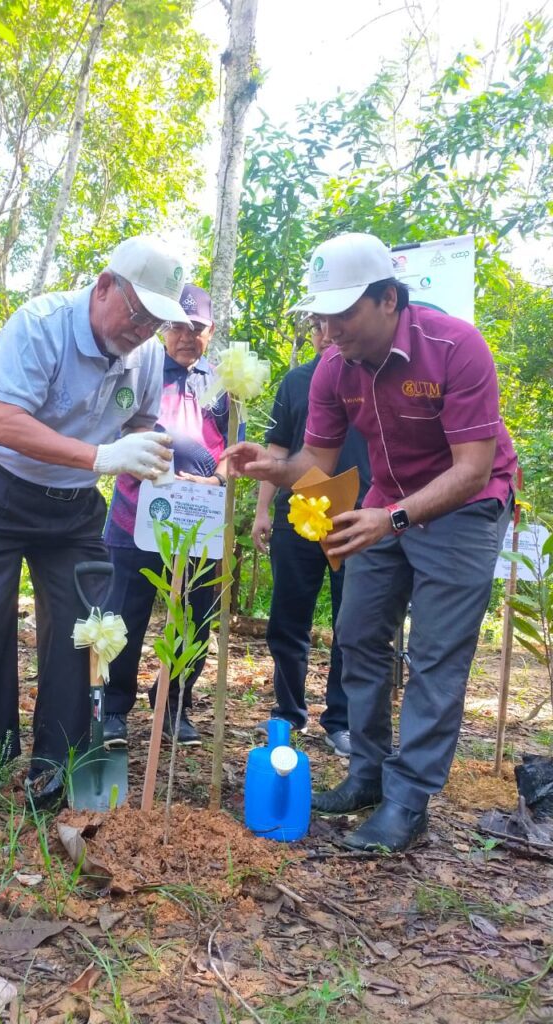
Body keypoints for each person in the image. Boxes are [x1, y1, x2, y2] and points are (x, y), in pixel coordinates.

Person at [225, 231, 517, 852]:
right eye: (322, 315)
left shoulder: (456, 347)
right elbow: (318, 463)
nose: (330, 329)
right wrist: (269, 468)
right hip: (389, 497)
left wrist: (395, 519)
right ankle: (367, 772)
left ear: (389, 298)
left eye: (344, 312)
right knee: (358, 631)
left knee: (436, 654)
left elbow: (471, 468)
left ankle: (408, 801)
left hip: (467, 503)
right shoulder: (334, 367)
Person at [0, 235, 191, 816]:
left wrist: (158, 462)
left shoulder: (145, 355)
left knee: (82, 631)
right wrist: (101, 458)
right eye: (137, 312)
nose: (144, 329)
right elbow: (4, 423)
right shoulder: (39, 325)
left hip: (71, 508)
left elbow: (143, 423)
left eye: (156, 320)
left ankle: (56, 767)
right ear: (104, 287)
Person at [102, 284, 228, 750]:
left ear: (210, 332)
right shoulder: (138, 368)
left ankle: (173, 703)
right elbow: (111, 430)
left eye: (196, 328)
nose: (186, 336)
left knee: (195, 616)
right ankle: (114, 708)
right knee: (125, 613)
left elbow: (235, 451)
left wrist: (216, 482)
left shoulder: (222, 383)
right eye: (177, 325)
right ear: (163, 327)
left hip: (202, 520)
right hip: (138, 516)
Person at [252, 318, 370, 757]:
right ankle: (289, 711)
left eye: (333, 324)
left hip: (359, 516)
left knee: (352, 622)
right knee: (287, 619)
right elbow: (279, 449)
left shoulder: (371, 377)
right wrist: (263, 509)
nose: (326, 333)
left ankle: (340, 720)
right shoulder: (297, 381)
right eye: (318, 325)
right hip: (298, 516)